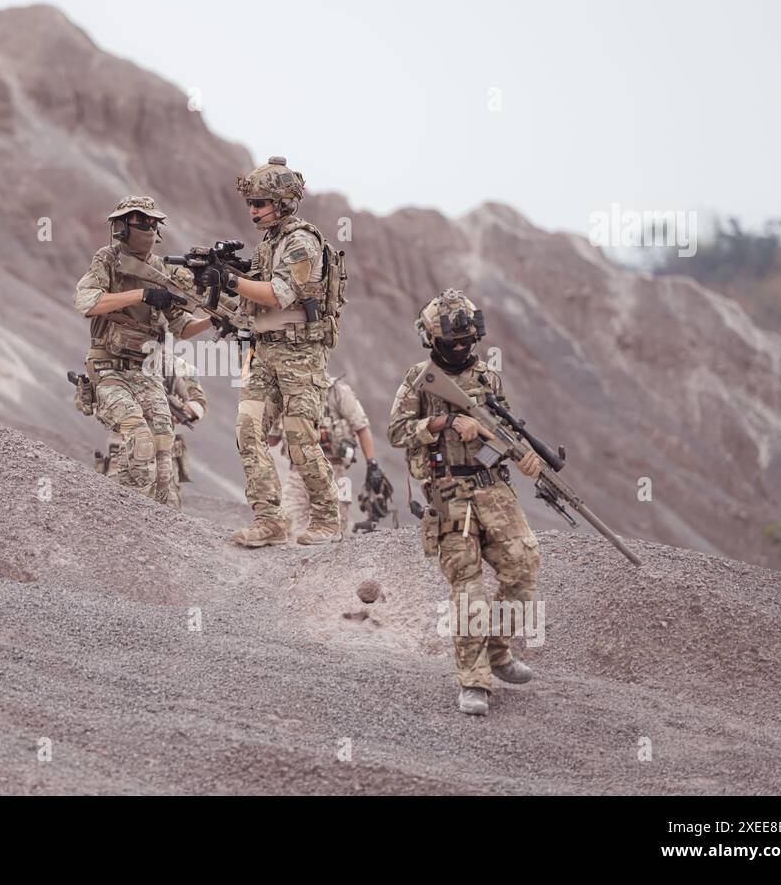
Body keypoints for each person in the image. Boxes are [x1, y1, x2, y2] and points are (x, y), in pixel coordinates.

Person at [387, 289, 542, 716]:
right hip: (448, 493)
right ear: (432, 341)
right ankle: (474, 682)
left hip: (494, 488)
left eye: (467, 342)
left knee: (523, 565)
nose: (460, 349)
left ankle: (498, 651)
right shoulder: (419, 379)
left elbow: (505, 429)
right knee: (468, 587)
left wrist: (525, 456)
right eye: (451, 344)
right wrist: (446, 421)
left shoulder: (489, 379)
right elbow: (397, 432)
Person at [211, 157, 340, 547]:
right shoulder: (271, 242)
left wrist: (231, 280)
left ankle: (327, 517)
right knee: (248, 430)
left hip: (301, 357)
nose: (252, 211)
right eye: (250, 203)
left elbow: (279, 294)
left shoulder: (301, 242)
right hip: (265, 353)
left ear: (284, 203)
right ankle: (270, 519)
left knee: (300, 436)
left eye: (260, 203)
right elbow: (254, 298)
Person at [72, 196, 209, 504]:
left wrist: (213, 318)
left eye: (150, 222)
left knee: (164, 448)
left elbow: (183, 328)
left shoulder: (160, 269)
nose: (146, 228)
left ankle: (163, 527)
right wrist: (143, 295)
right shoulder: (107, 259)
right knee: (139, 440)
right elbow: (88, 302)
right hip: (109, 369)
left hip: (145, 372)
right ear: (120, 227)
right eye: (138, 221)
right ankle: (117, 514)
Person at [270, 375, 385, 534]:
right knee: (288, 525)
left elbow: (361, 426)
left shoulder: (336, 391)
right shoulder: (285, 393)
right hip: (298, 473)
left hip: (334, 471)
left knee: (333, 531)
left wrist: (372, 464)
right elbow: (272, 440)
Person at [98, 345, 207, 509]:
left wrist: (185, 410)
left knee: (165, 511)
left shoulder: (178, 367)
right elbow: (96, 402)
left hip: (164, 452)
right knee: (117, 506)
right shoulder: (118, 361)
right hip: (126, 448)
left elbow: (198, 403)